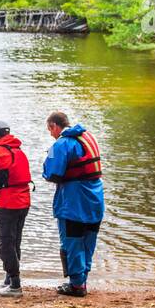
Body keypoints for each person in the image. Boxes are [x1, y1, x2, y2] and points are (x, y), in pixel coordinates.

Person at [41, 111, 105, 297]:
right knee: (88, 243)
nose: (51, 134)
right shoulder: (88, 137)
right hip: (95, 201)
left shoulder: (61, 144)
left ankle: (76, 285)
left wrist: (47, 161)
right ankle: (82, 280)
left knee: (72, 243)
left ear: (54, 126)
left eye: (49, 130)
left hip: (73, 203)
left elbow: (52, 174)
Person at [0, 120, 32, 297]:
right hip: (24, 202)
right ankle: (9, 279)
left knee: (4, 246)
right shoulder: (19, 151)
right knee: (14, 242)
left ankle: (15, 285)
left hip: (9, 203)